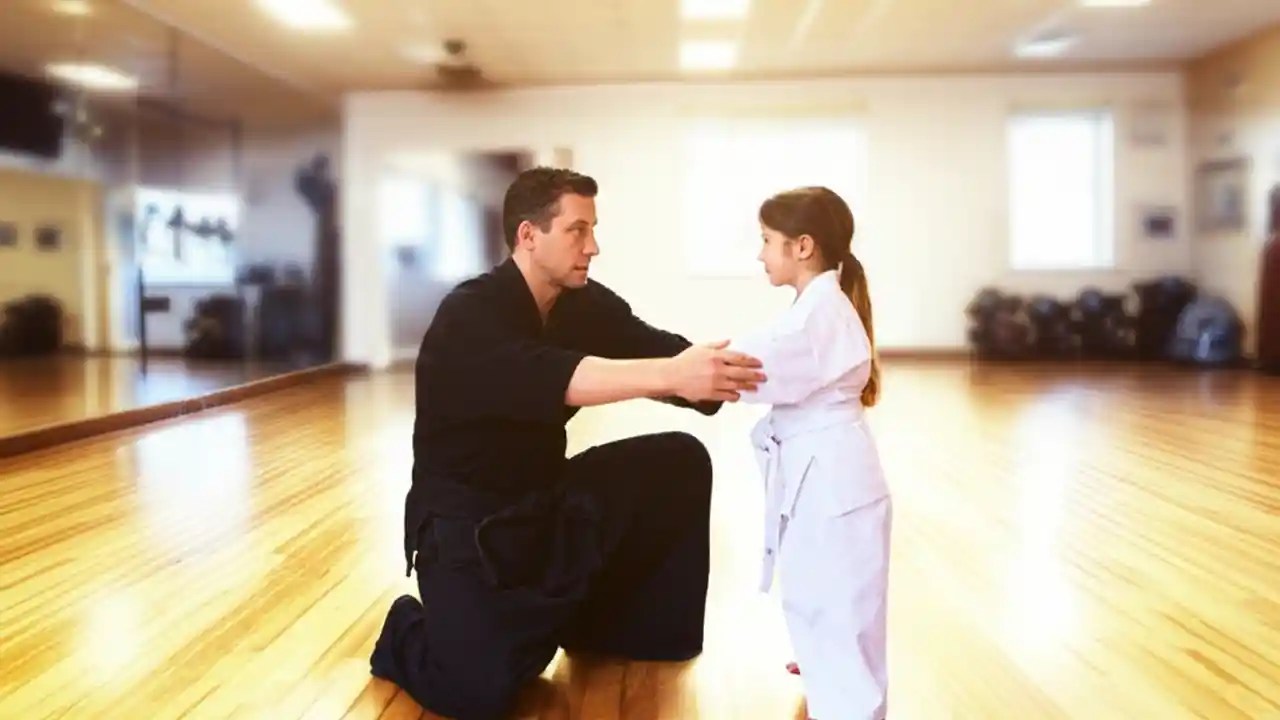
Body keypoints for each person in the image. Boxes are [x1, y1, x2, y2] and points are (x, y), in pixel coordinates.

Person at [369, 166, 767, 720]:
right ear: (528, 235)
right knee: (477, 692)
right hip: (463, 526)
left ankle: (610, 626)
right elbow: (551, 375)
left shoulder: (582, 304)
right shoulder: (469, 314)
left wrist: (758, 371)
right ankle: (405, 629)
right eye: (577, 230)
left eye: (593, 229)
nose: (593, 246)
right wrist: (673, 374)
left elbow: (656, 350)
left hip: (542, 500)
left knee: (679, 461)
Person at [728, 186, 892, 720]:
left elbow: (751, 366)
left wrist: (682, 371)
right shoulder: (816, 308)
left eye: (766, 240)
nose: (760, 254)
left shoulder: (817, 317)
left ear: (802, 246)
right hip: (823, 474)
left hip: (832, 480)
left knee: (841, 607)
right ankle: (824, 667)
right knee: (821, 595)